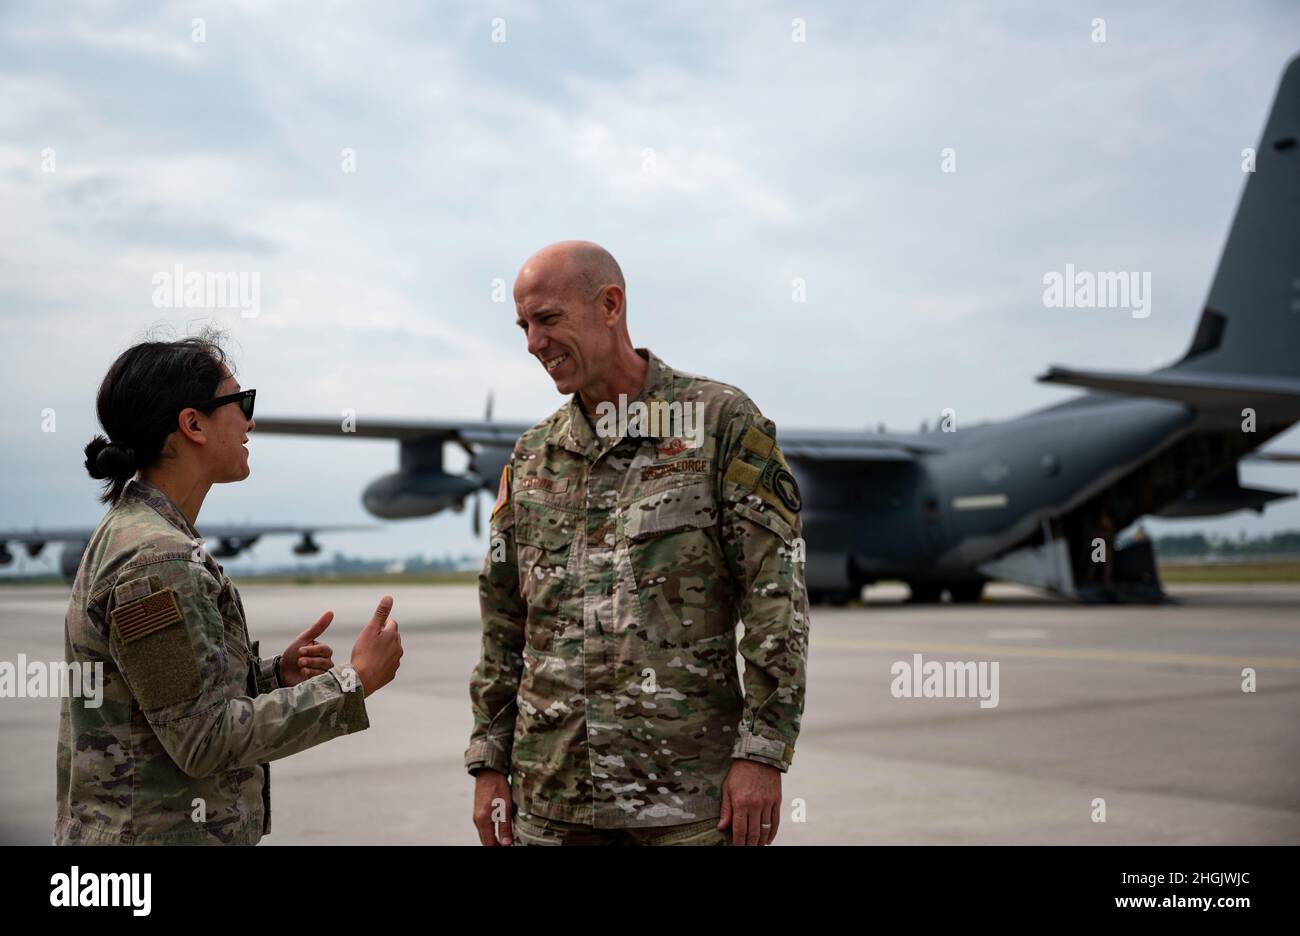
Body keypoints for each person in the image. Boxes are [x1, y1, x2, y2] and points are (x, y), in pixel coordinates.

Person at [466, 241, 809, 846]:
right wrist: (490, 765)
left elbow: (774, 600)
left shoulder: (720, 423)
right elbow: (504, 622)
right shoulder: (531, 457)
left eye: (547, 320)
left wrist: (763, 752)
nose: (533, 344)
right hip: (552, 800)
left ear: (610, 305)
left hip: (687, 805)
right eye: (523, 326)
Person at [55, 331, 404, 845]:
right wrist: (355, 682)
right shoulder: (158, 559)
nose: (250, 420)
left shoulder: (144, 534)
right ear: (192, 424)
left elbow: (167, 704)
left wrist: (271, 677)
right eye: (240, 403)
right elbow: (203, 740)